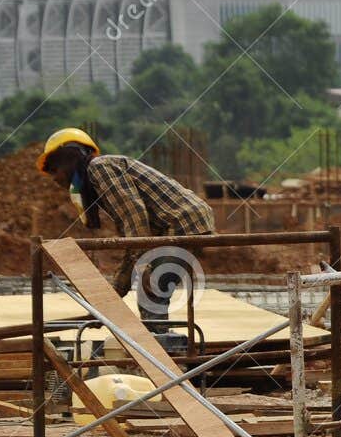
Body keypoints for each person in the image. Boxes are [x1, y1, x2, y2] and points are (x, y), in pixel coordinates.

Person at [37, 128, 215, 328]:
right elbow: (131, 243)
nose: (53, 177)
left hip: (182, 222)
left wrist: (144, 267)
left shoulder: (99, 168)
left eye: (54, 169)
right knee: (151, 288)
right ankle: (159, 346)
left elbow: (135, 216)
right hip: (176, 225)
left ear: (68, 159)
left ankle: (160, 352)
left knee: (151, 292)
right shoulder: (98, 181)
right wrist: (108, 305)